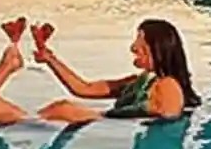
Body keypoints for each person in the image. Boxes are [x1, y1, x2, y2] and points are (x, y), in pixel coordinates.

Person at [35, 18, 201, 124]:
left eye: (141, 43)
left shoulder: (168, 85)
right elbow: (84, 89)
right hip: (109, 121)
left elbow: (168, 117)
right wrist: (50, 59)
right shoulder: (138, 82)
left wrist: (98, 117)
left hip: (113, 124)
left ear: (158, 49)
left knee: (63, 109)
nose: (134, 48)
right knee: (61, 108)